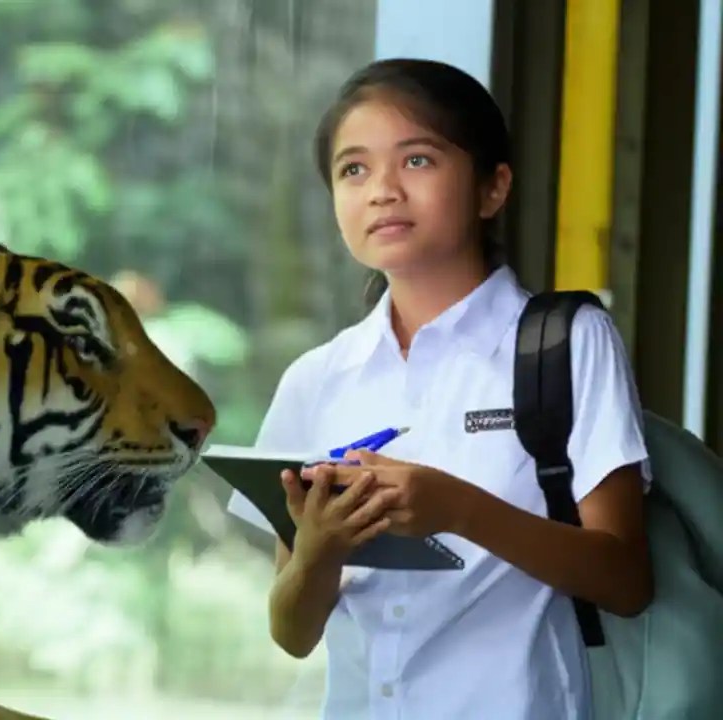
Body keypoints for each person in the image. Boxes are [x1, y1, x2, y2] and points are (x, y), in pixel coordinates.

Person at [228, 58, 654, 720]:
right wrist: (318, 553)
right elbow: (292, 633)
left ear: (493, 188)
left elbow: (626, 580)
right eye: (353, 169)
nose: (382, 190)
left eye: (418, 160)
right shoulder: (316, 378)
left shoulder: (565, 342)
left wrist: (459, 510)